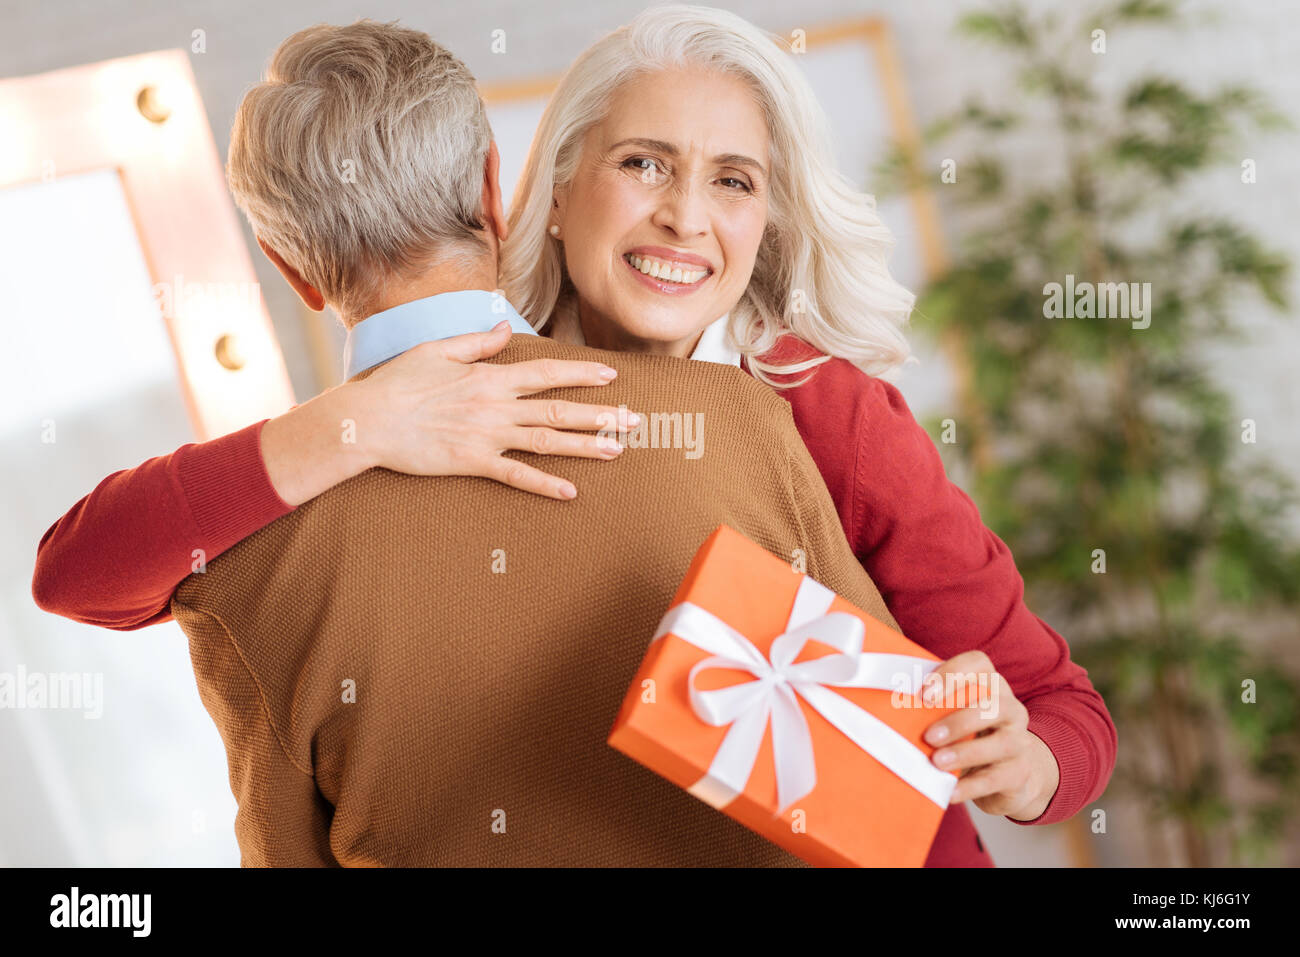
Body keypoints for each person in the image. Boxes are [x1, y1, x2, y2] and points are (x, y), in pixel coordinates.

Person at [33, 8, 1117, 866]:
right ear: (529, 190)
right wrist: (357, 422)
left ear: (288, 267)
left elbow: (1040, 721)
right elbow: (77, 569)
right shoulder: (328, 477)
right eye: (644, 164)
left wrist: (1020, 768)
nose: (686, 218)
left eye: (733, 182)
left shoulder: (805, 410)